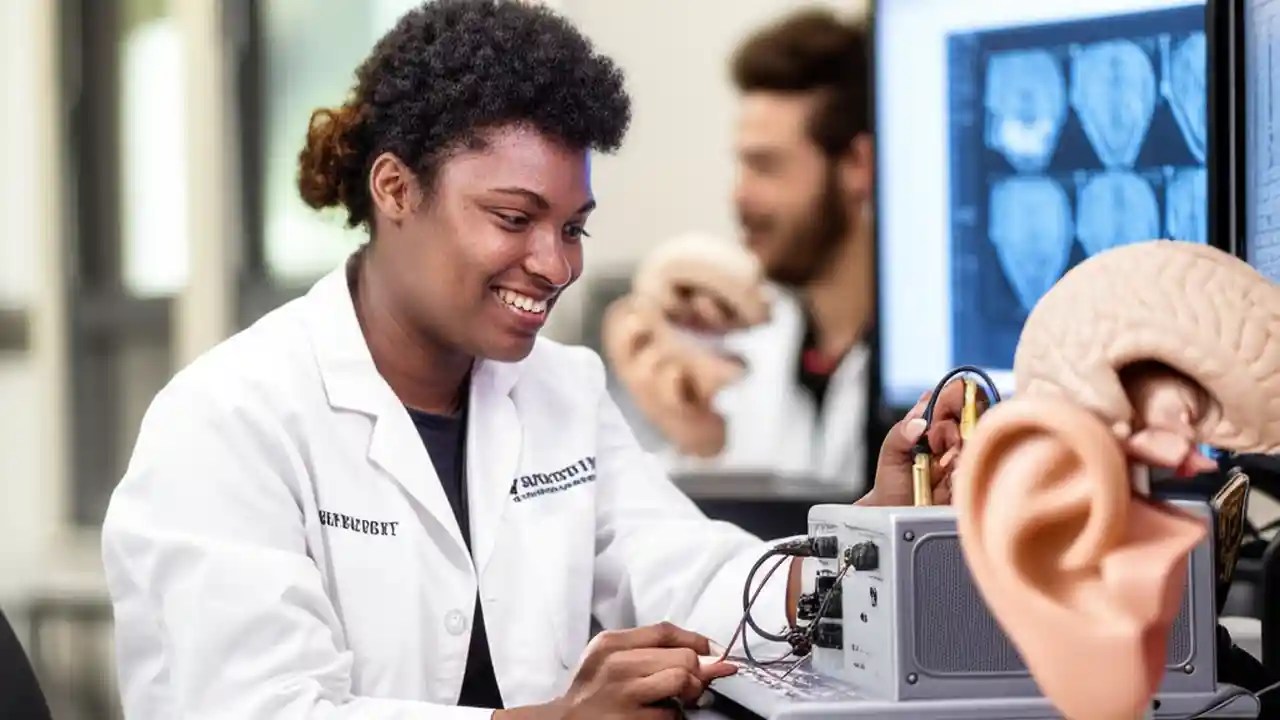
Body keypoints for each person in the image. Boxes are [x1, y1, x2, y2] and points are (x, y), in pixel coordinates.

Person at [101, 2, 966, 718]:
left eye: (573, 227)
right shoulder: (227, 418)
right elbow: (264, 707)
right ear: (395, 189)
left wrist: (870, 536)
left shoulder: (559, 388)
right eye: (514, 219)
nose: (556, 265)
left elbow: (690, 572)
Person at [603, 9, 879, 491]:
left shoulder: (924, 369)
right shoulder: (746, 357)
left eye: (766, 166)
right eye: (742, 166)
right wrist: (700, 441)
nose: (739, 196)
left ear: (858, 164)